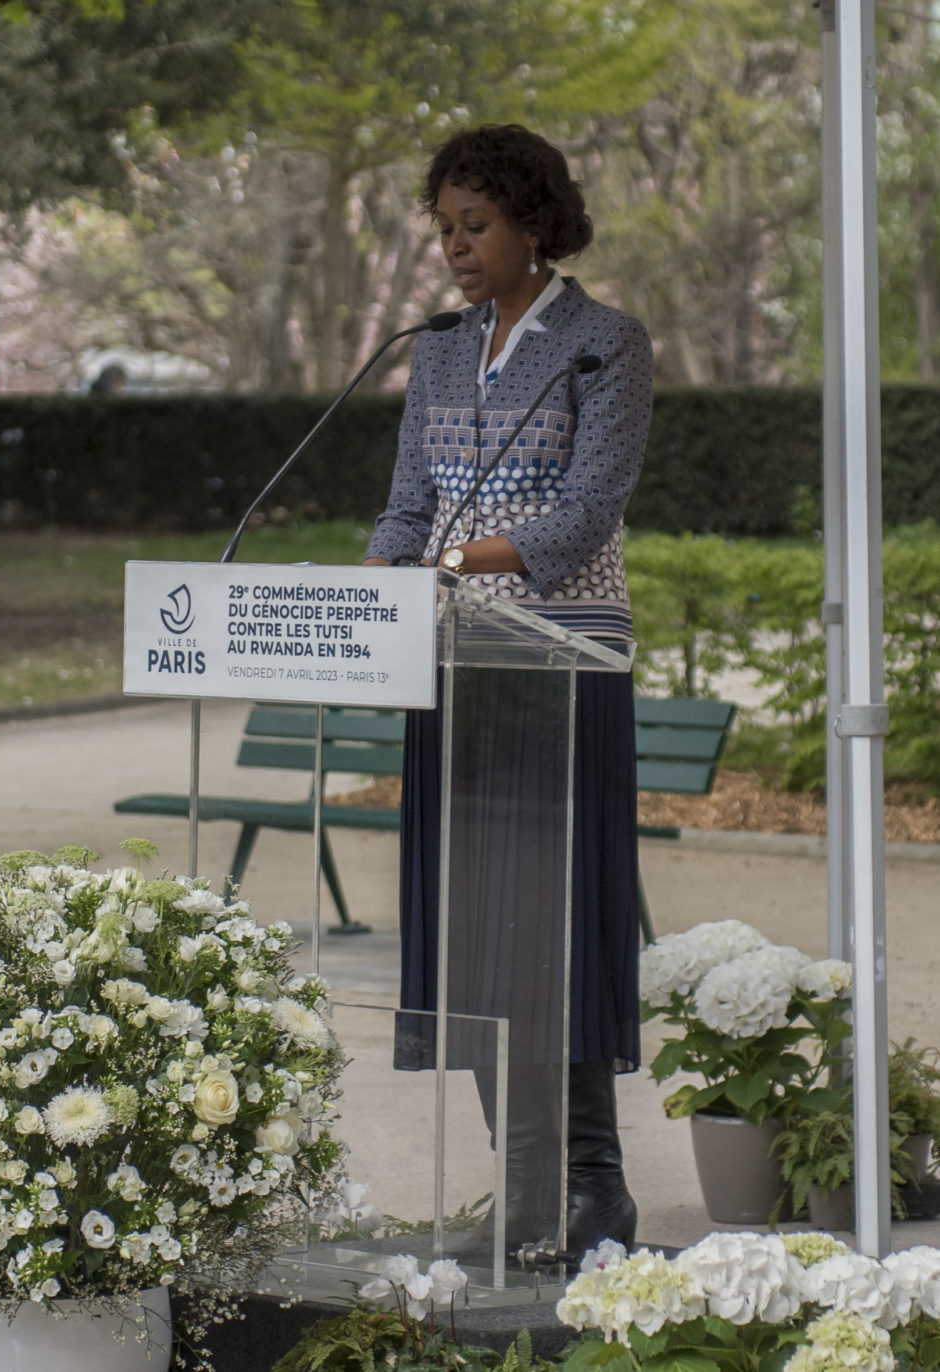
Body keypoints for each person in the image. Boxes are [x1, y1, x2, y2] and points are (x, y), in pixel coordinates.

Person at [363, 123, 653, 1262]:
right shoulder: (435, 350)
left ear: (532, 218)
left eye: (472, 225)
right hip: (450, 668)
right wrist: (383, 572)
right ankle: (523, 1191)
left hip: (560, 664)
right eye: (441, 228)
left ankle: (593, 1188)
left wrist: (453, 560)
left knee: (554, 930)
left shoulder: (604, 345)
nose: (452, 248)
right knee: (477, 936)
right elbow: (404, 501)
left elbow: (584, 511)